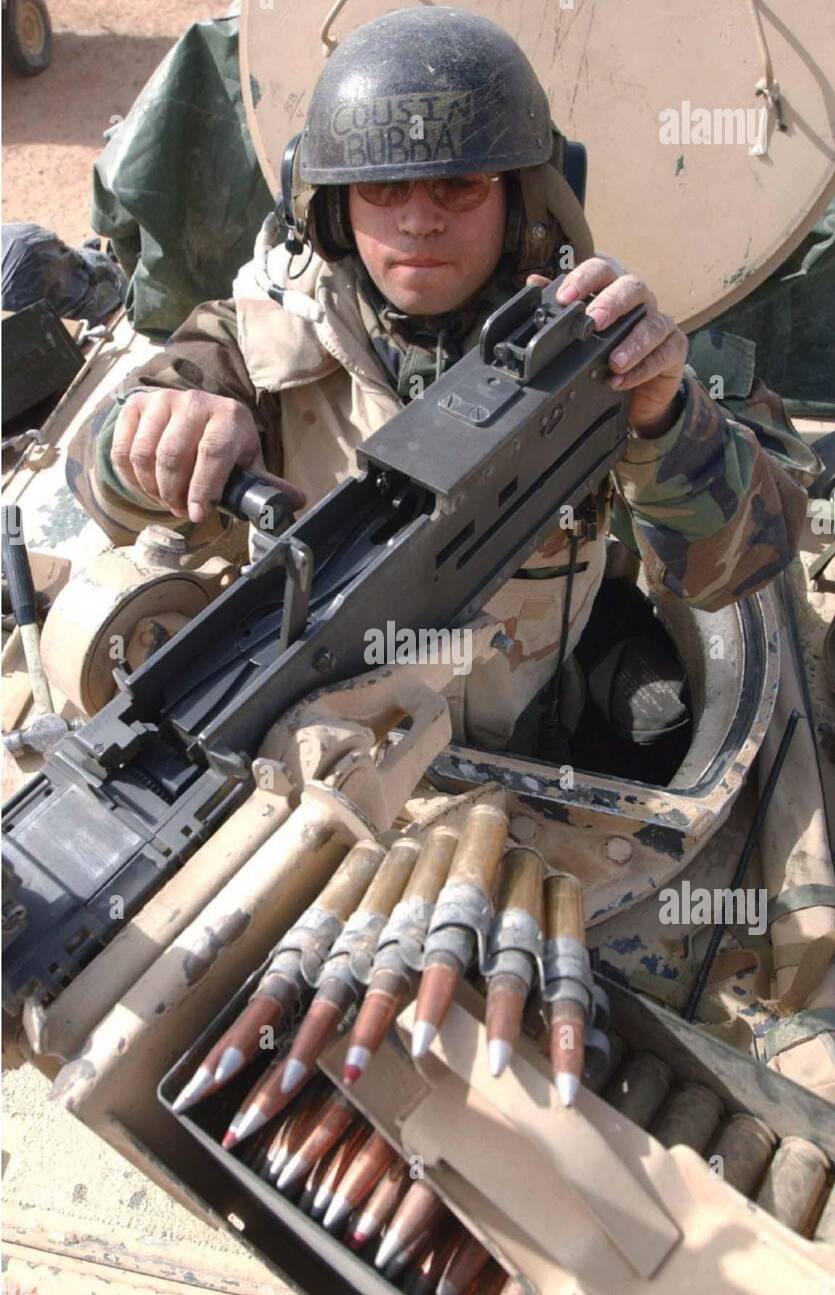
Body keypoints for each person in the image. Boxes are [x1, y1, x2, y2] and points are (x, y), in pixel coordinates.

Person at [68, 6, 813, 751]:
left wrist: (664, 423)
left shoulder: (605, 343)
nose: (418, 221)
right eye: (383, 190)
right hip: (319, 750)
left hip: (530, 734)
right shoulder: (253, 336)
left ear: (525, 202)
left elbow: (746, 566)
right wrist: (148, 442)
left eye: (458, 185)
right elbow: (97, 477)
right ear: (330, 208)